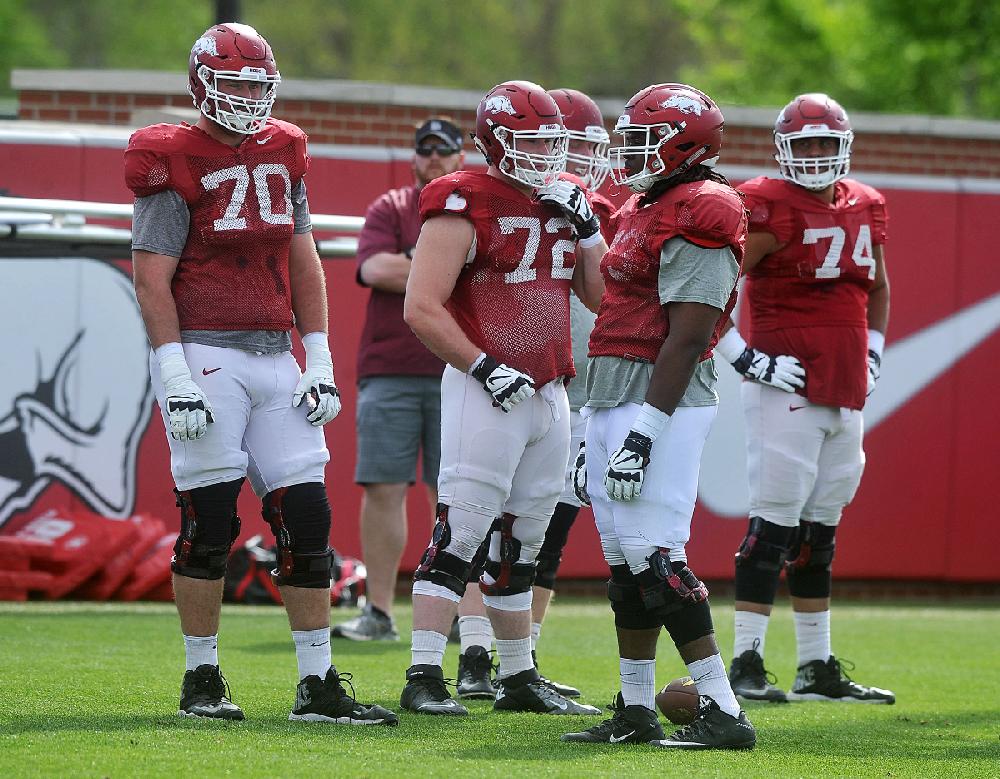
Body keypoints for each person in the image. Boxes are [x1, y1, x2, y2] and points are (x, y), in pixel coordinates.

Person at [125, 22, 397, 726]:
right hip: (207, 355)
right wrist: (175, 371)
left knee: (307, 518)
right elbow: (152, 280)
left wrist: (321, 357)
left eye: (256, 83)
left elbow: (303, 262)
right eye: (234, 82)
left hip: (277, 355)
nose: (247, 96)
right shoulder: (170, 158)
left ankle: (316, 684)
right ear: (201, 84)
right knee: (210, 521)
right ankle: (201, 677)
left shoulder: (285, 148)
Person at [399, 79, 606, 717]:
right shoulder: (461, 199)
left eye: (553, 140)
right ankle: (424, 674)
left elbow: (602, 299)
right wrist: (485, 367)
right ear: (493, 142)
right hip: (486, 386)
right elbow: (421, 307)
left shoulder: (564, 203)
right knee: (461, 529)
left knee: (526, 541)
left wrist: (590, 229)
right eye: (532, 139)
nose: (546, 152)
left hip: (550, 388)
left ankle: (518, 677)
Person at [562, 82, 756, 749]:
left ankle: (725, 710)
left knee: (656, 556)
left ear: (685, 143)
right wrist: (595, 422)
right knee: (623, 563)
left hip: (662, 398)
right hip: (615, 392)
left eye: (645, 138)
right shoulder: (650, 203)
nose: (630, 151)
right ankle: (637, 706)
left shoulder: (705, 206)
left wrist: (644, 432)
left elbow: (689, 334)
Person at [715, 93, 895, 705]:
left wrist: (873, 350)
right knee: (774, 525)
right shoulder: (765, 205)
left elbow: (879, 288)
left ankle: (816, 667)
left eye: (826, 143)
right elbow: (712, 283)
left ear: (843, 146)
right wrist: (744, 356)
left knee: (822, 529)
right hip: (783, 385)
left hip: (845, 385)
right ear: (783, 149)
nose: (816, 155)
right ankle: (746, 661)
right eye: (806, 144)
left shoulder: (865, 204)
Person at [331, 117, 468, 643]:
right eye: (424, 150)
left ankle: (454, 615)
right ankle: (380, 613)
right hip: (389, 370)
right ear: (414, 157)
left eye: (444, 151)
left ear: (461, 157)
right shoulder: (391, 207)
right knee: (384, 488)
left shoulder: (470, 205)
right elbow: (372, 270)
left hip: (458, 367)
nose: (433, 158)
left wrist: (414, 263)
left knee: (455, 494)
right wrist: (437, 263)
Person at [509, 87, 616, 699]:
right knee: (492, 521)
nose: (574, 159)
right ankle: (476, 654)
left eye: (584, 148)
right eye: (566, 144)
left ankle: (523, 657)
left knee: (550, 529)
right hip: (516, 376)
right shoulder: (511, 204)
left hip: (575, 387)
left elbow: (609, 297)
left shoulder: (596, 211)